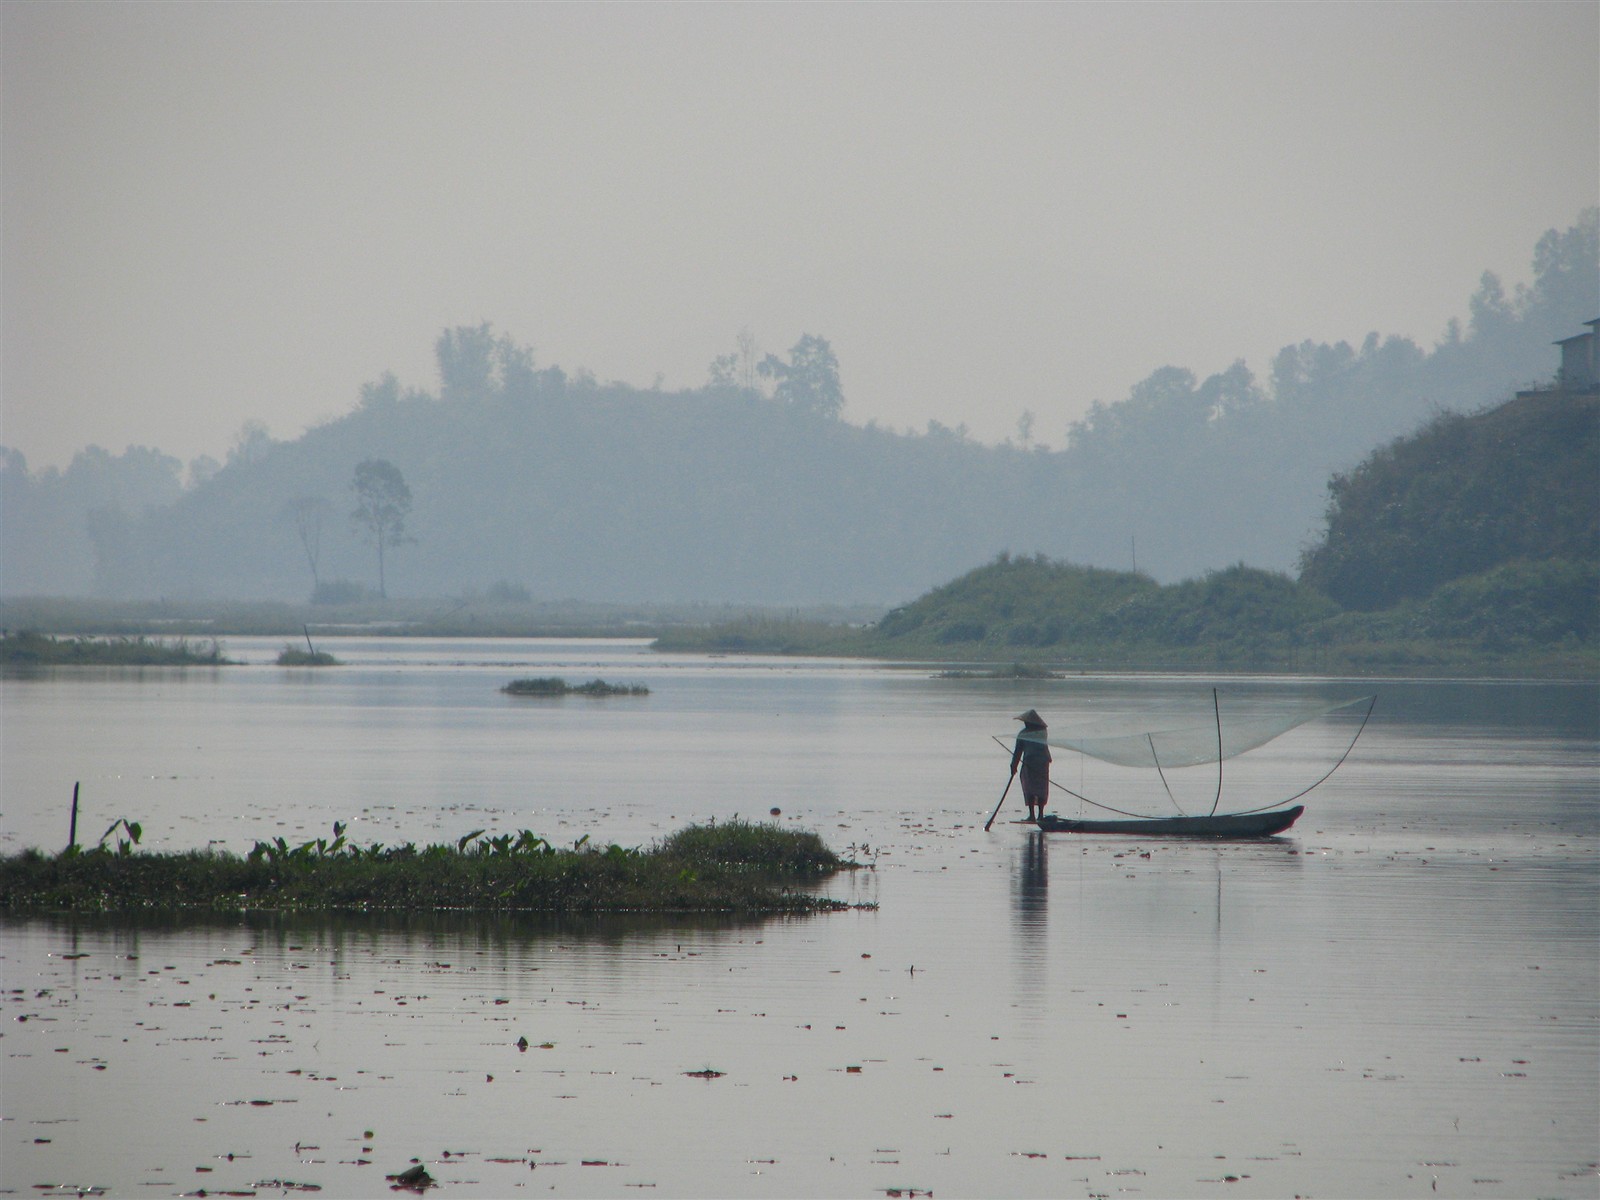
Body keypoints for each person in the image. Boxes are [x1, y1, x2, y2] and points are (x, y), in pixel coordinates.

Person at [1010, 709, 1052, 822]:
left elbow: (1018, 751)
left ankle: (1033, 815)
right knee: (1041, 788)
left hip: (1031, 763)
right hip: (1043, 763)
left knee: (1030, 788)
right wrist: (1014, 765)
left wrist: (1013, 765)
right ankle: (1040, 815)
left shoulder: (1024, 734)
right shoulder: (1043, 732)